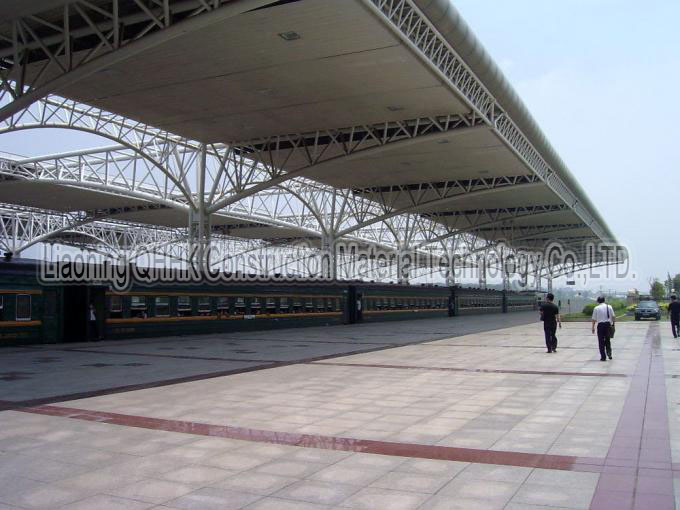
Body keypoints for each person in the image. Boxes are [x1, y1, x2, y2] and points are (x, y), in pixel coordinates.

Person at [591, 297, 615, 361]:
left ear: (598, 301)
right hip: (608, 325)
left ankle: (603, 357)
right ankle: (609, 354)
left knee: (601, 341)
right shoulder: (609, 307)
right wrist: (613, 324)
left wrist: (593, 328)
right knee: (607, 340)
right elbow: (613, 316)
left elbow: (593, 319)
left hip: (600, 326)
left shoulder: (596, 308)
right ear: (604, 300)